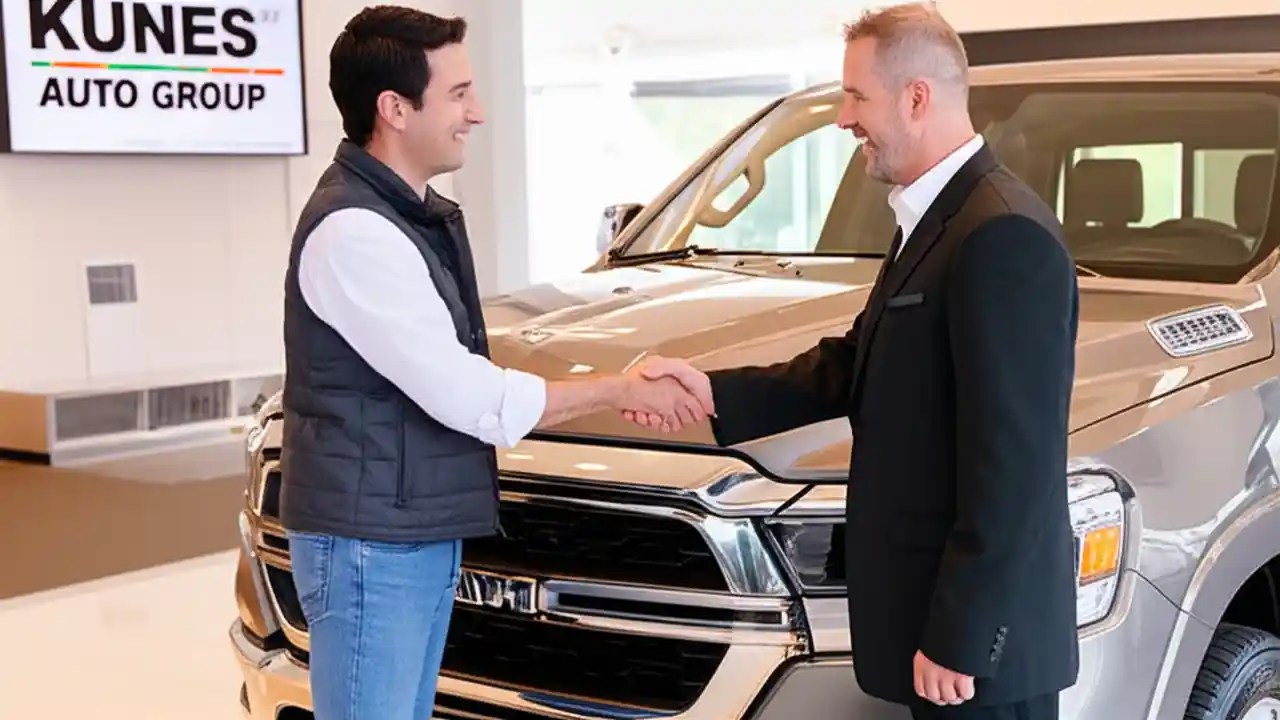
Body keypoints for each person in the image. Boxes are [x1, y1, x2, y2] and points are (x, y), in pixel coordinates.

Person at [628, 4, 1079, 719]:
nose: (844, 119)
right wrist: (711, 391)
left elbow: (1015, 465)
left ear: (917, 98)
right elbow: (853, 365)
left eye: (856, 96)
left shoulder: (1001, 236)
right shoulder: (938, 221)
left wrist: (962, 635)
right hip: (933, 630)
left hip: (978, 660)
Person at [277, 7, 711, 719]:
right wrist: (618, 389)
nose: (476, 113)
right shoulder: (355, 231)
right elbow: (461, 392)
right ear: (394, 108)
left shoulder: (406, 215)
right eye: (458, 94)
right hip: (370, 546)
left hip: (402, 532)